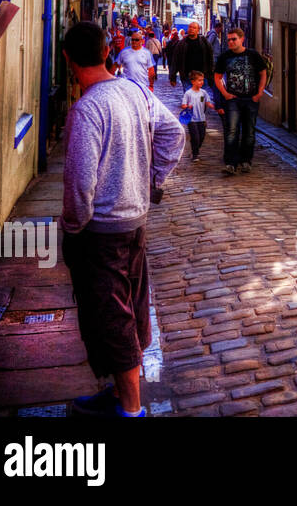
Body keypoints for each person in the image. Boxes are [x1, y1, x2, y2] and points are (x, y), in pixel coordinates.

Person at [59, 22, 184, 418]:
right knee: (131, 308)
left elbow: (80, 183)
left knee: (112, 320)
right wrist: (150, 183)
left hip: (102, 234)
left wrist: (73, 227)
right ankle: (118, 395)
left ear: (68, 60)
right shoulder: (135, 92)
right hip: (136, 225)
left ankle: (131, 410)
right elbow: (173, 135)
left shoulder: (88, 109)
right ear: (108, 52)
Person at [213, 27, 268, 176]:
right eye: (229, 39)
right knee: (232, 131)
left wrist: (259, 92)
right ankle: (230, 163)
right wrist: (225, 93)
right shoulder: (225, 57)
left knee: (249, 131)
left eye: (234, 39)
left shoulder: (253, 55)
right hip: (233, 100)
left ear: (241, 39)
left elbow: (263, 73)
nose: (230, 42)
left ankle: (246, 161)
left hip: (250, 99)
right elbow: (217, 77)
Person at [179, 70, 222, 161]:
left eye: (202, 80)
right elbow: (183, 105)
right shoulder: (188, 93)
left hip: (202, 119)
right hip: (192, 119)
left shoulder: (203, 93)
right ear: (193, 82)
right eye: (199, 80)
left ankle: (196, 149)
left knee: (202, 136)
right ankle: (195, 154)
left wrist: (215, 107)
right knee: (195, 137)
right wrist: (187, 106)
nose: (201, 82)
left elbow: (207, 102)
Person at [170, 21, 215, 92]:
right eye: (190, 27)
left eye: (194, 28)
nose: (191, 29)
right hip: (187, 77)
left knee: (201, 99)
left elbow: (210, 58)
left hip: (202, 76)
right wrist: (172, 77)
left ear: (198, 30)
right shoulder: (182, 44)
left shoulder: (204, 42)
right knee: (190, 99)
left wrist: (211, 74)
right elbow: (175, 60)